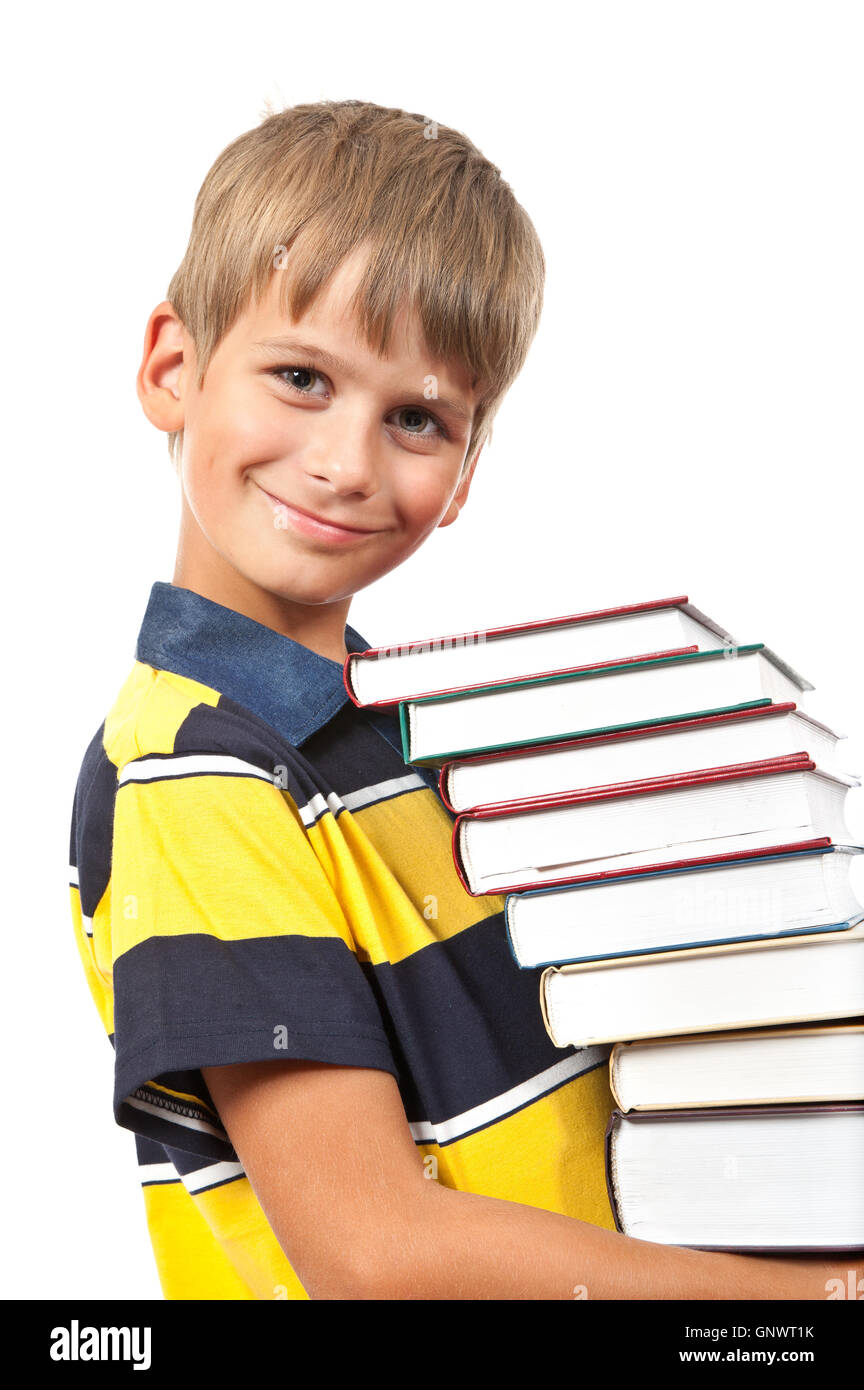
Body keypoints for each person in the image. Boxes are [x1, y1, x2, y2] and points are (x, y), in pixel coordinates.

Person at [68, 97, 855, 1300]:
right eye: (299, 376)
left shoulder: (400, 738)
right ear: (174, 367)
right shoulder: (196, 772)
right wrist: (806, 1307)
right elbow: (374, 1256)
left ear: (469, 469)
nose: (344, 463)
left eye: (417, 419)